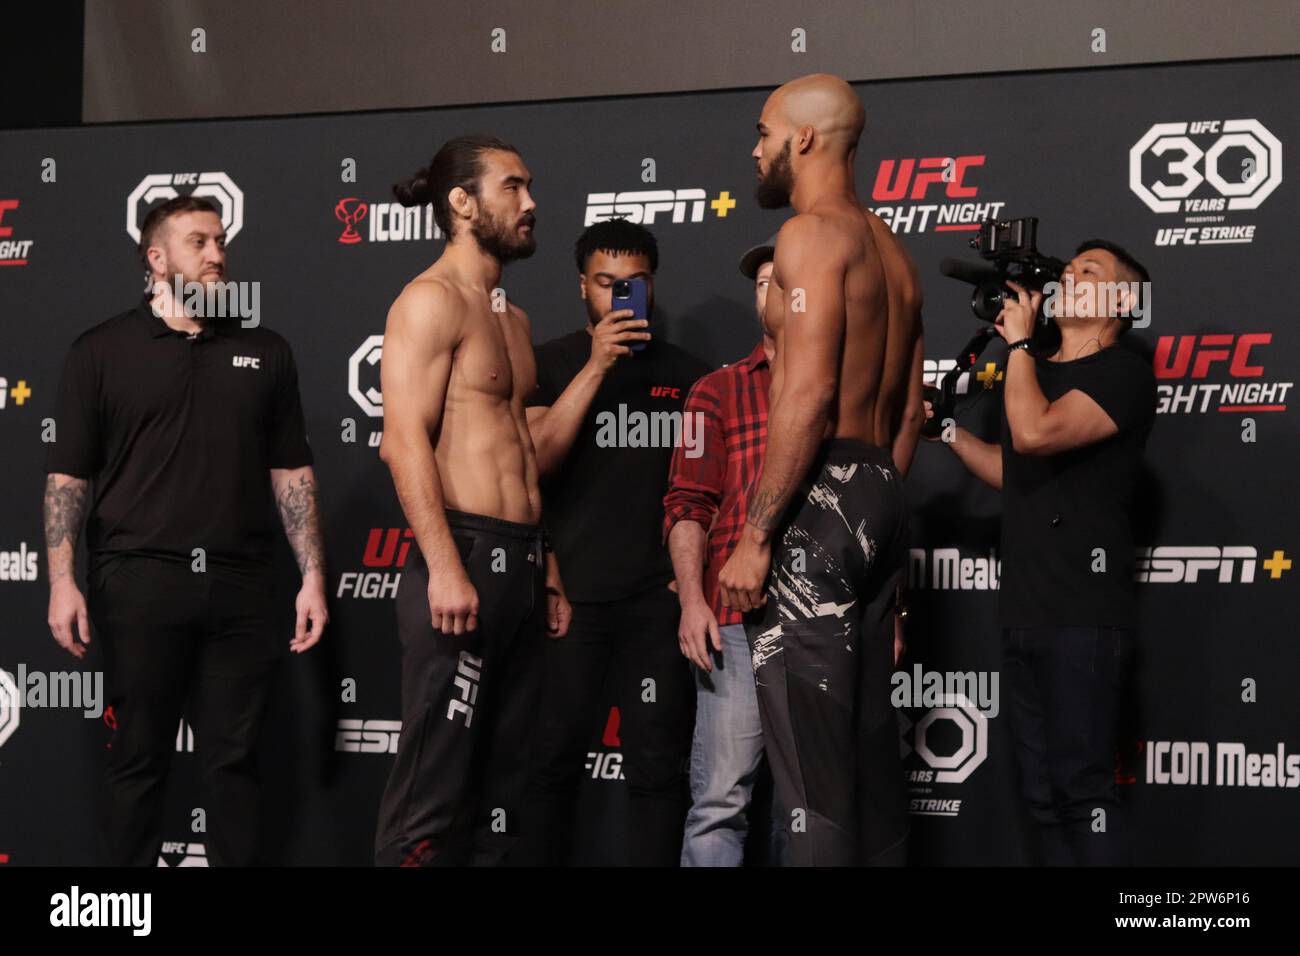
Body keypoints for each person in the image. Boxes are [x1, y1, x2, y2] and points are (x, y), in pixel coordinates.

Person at [44, 195, 327, 866]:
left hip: (242, 588)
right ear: (156, 257)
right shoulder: (101, 351)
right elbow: (68, 479)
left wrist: (313, 574)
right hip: (139, 581)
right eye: (198, 241)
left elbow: (292, 472)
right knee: (137, 764)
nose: (217, 254)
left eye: (220, 241)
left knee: (235, 767)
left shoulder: (265, 349)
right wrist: (61, 580)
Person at [718, 73, 925, 866]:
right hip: (879, 489)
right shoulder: (895, 257)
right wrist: (876, 516)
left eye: (764, 132)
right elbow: (909, 413)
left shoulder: (810, 237)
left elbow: (806, 392)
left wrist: (757, 533)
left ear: (803, 139)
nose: (757, 149)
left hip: (817, 506)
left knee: (813, 782)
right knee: (873, 768)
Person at [923, 239, 1155, 866]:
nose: (1072, 277)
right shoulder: (1041, 371)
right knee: (1041, 796)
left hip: (1083, 614)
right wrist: (945, 430)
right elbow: (1015, 468)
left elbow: (1034, 432)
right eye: (1070, 269)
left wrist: (1021, 345)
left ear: (1123, 300)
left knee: (1084, 792)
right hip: (1023, 610)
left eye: (1091, 272)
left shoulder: (1124, 374)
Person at [373, 134, 570, 867]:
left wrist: (545, 564)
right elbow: (404, 442)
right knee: (434, 790)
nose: (531, 203)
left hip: (518, 562)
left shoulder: (511, 320)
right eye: (513, 187)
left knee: (501, 792)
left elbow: (519, 450)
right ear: (461, 203)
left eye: (529, 186)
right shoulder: (429, 302)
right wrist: (446, 566)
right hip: (463, 556)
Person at [520, 218, 710, 865]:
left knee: (658, 770)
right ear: (582, 287)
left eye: (633, 284)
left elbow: (710, 492)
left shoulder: (692, 379)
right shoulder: (547, 364)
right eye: (606, 284)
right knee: (550, 762)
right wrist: (598, 365)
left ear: (652, 286)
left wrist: (689, 583)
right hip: (569, 597)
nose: (619, 296)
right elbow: (535, 463)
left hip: (656, 607)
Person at [665, 236, 784, 866]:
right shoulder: (713, 391)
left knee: (814, 807)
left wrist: (894, 613)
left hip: (826, 624)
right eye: (759, 280)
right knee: (719, 801)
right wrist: (691, 600)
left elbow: (882, 505)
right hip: (734, 624)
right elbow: (686, 505)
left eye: (781, 277)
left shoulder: (846, 389)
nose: (768, 289)